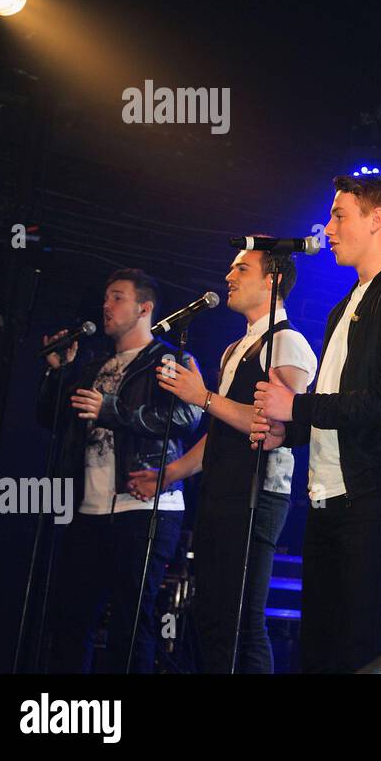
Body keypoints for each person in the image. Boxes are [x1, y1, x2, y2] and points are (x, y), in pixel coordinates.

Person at [251, 173, 381, 672]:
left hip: (379, 498)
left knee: (363, 653)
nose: (328, 228)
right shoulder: (345, 306)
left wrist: (296, 408)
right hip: (330, 497)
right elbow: (337, 403)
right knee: (318, 652)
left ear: (377, 220)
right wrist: (287, 430)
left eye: (340, 215)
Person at [131, 246, 317, 672]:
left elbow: (275, 424)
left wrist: (203, 397)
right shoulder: (235, 348)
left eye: (241, 268)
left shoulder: (288, 342)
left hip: (257, 494)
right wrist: (170, 473)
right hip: (221, 489)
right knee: (211, 617)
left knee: (242, 621)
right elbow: (221, 427)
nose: (229, 276)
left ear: (271, 281)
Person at [38, 268, 202, 672]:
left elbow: (185, 416)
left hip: (143, 506)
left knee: (132, 622)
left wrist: (113, 410)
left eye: (117, 297)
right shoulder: (95, 364)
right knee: (71, 620)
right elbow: (51, 419)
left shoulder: (170, 359)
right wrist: (57, 372)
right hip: (90, 508)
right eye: (106, 297)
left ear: (144, 308)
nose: (106, 306)